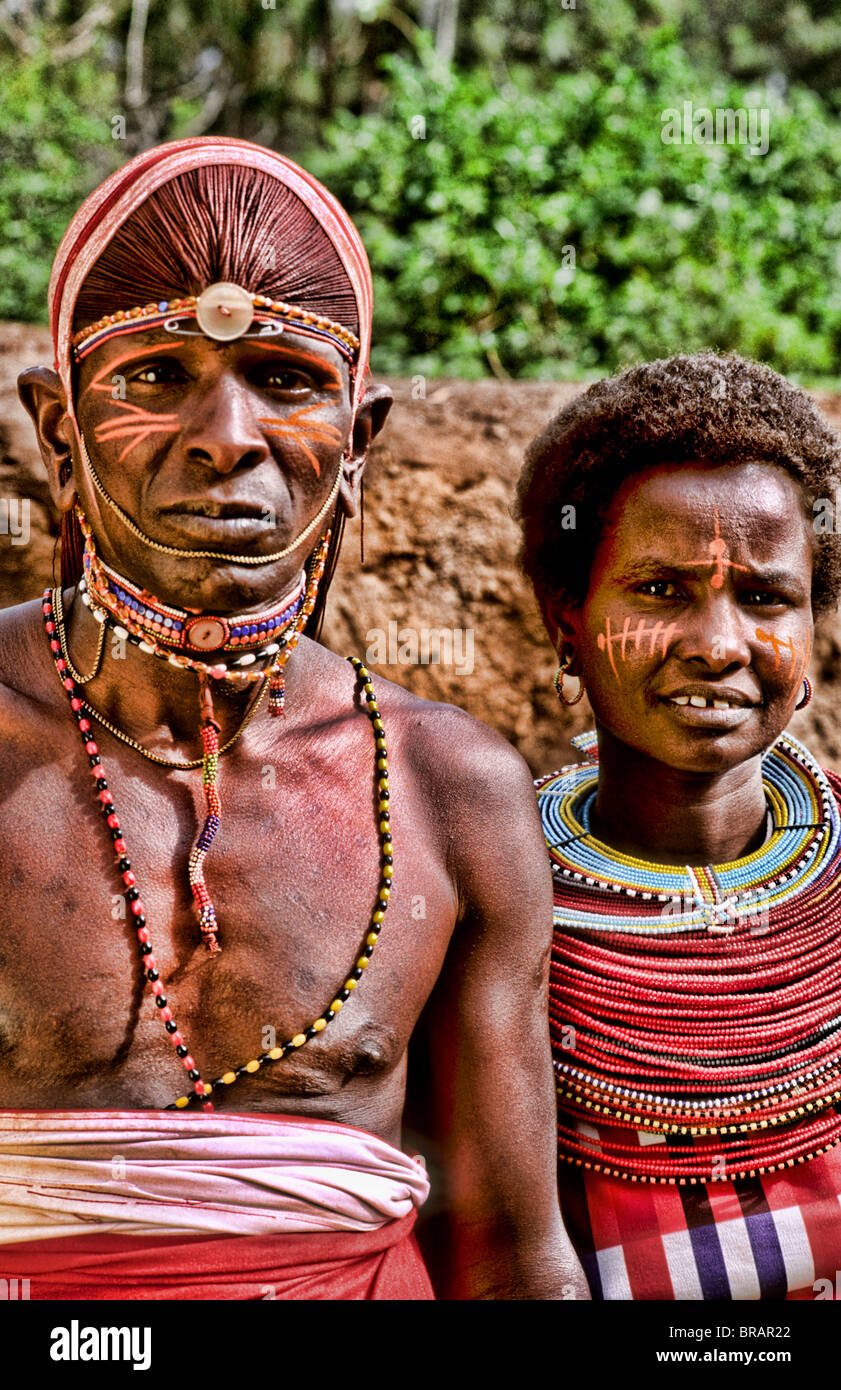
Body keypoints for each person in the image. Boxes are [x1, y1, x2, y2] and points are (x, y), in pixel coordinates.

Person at [3, 136, 584, 1300]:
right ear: (60, 431)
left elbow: (513, 1259)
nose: (229, 436)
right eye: (157, 376)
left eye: (285, 377)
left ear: (358, 441)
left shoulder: (449, 791)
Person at [515, 351, 841, 1300]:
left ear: (814, 628)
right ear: (566, 620)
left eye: (765, 596)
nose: (717, 644)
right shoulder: (484, 893)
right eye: (659, 590)